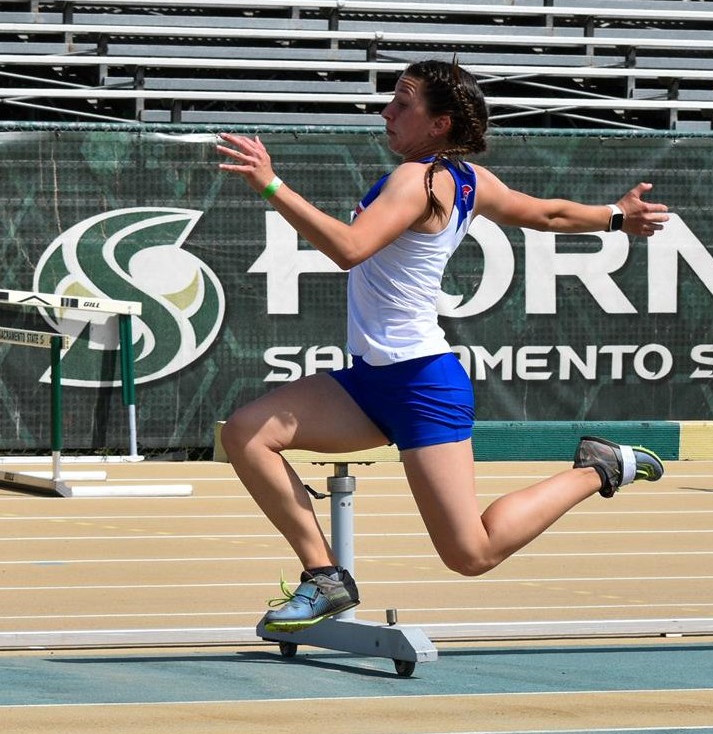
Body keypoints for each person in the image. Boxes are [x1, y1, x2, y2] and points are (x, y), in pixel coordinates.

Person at [215, 59, 673, 632]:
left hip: (422, 384)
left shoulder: (419, 180)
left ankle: (599, 468)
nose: (387, 111)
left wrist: (271, 185)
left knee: (470, 554)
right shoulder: (466, 180)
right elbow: (547, 214)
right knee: (247, 433)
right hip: (371, 381)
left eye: (403, 103)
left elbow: (351, 248)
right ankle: (324, 577)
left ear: (440, 124)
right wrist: (613, 217)